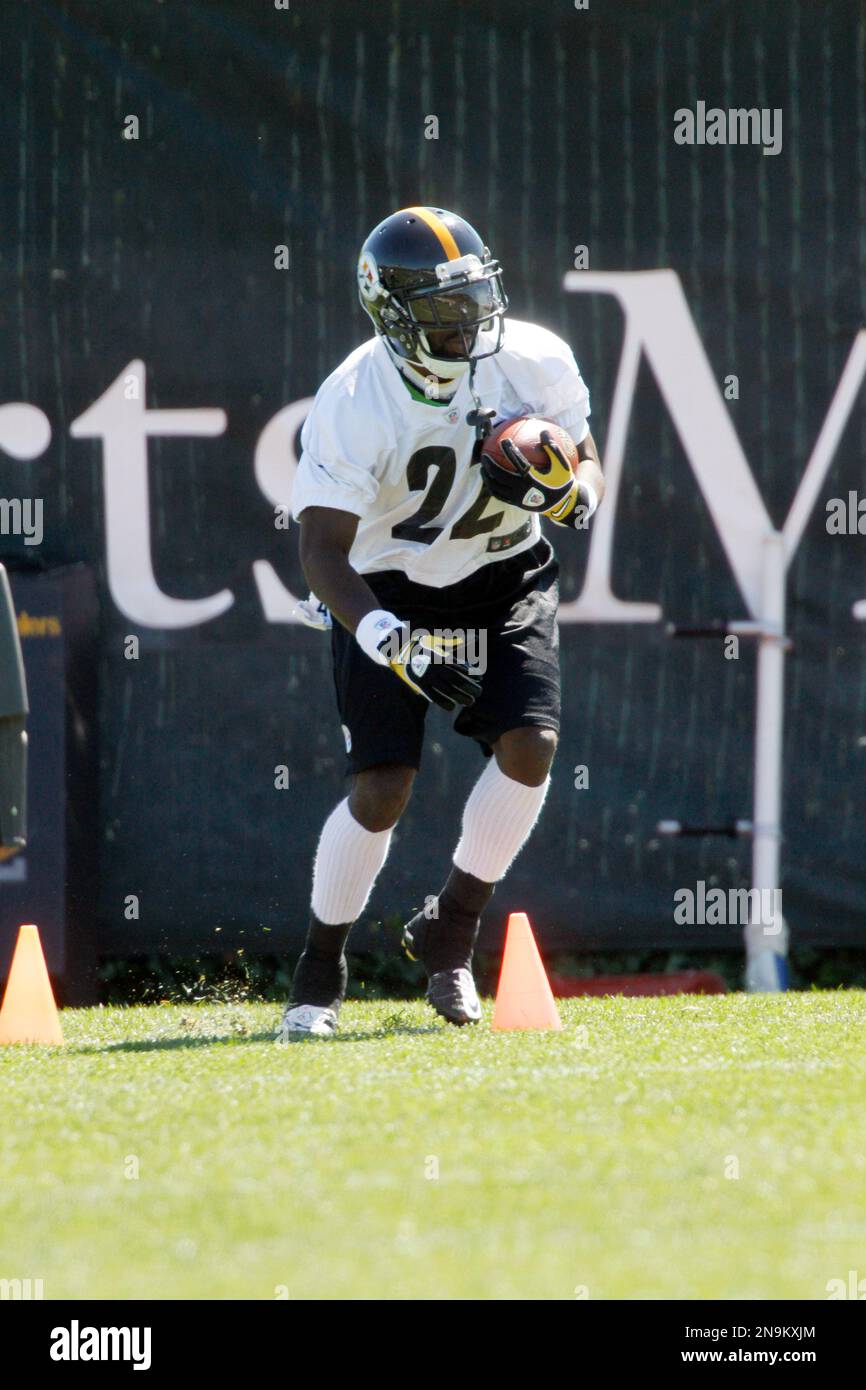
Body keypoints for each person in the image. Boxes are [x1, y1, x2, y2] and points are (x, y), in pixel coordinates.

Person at [280, 205, 604, 1039]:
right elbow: (322, 553)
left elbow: (584, 454)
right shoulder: (356, 398)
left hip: (504, 575)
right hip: (388, 585)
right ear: (392, 315)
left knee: (530, 747)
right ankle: (319, 975)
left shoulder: (530, 358)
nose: (471, 323)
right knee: (383, 787)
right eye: (443, 308)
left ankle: (450, 931)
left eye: (477, 298)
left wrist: (578, 493)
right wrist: (386, 633)